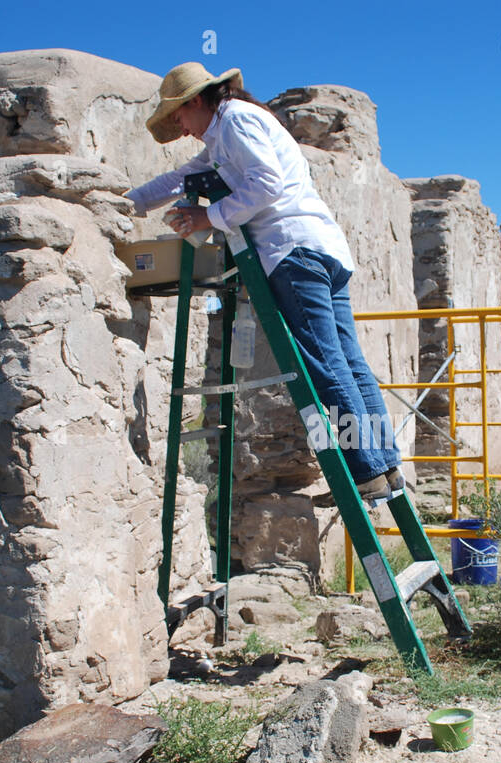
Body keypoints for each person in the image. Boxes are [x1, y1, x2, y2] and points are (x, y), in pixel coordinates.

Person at [125, 62, 404, 501]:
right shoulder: (227, 132)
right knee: (349, 363)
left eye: (179, 117)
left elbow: (267, 184)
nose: (181, 129)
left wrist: (208, 216)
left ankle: (364, 473)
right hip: (323, 248)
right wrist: (129, 202)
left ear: (196, 100)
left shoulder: (234, 120)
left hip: (292, 251)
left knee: (325, 365)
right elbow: (179, 178)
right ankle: (384, 468)